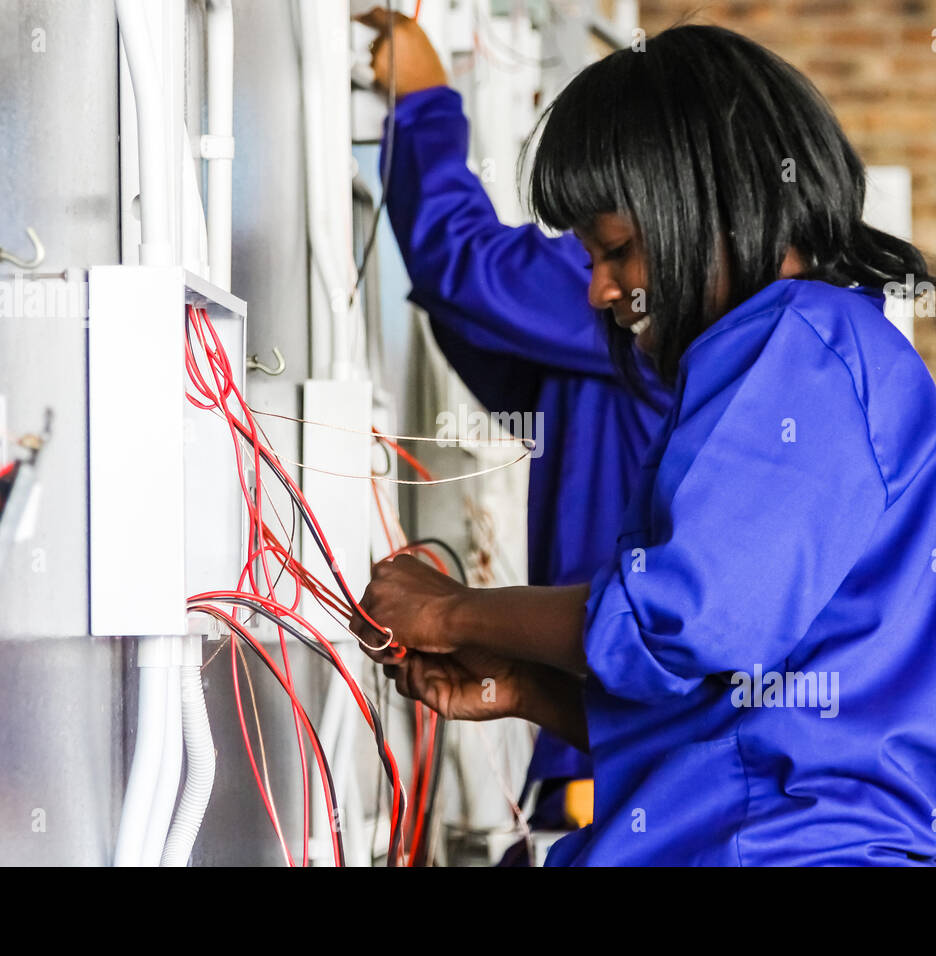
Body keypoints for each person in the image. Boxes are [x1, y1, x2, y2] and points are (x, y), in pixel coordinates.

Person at [353, 23, 936, 866]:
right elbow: (734, 722)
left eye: (616, 251)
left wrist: (451, 611)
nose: (600, 289)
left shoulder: (806, 349)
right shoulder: (764, 361)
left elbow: (678, 626)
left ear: (715, 205)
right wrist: (528, 687)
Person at [357, 7, 674, 840]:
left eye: (604, 243)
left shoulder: (650, 298)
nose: (595, 278)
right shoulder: (637, 323)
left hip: (609, 761)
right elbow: (494, 341)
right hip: (596, 736)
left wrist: (425, 100)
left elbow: (464, 267)